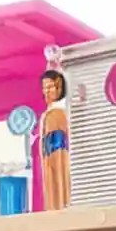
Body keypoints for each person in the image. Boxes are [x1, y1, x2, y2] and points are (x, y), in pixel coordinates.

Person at [38, 69, 71, 211]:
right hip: (49, 160)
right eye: (44, 88)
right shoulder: (49, 114)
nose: (46, 91)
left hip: (57, 160)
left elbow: (60, 152)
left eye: (50, 87)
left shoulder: (57, 114)